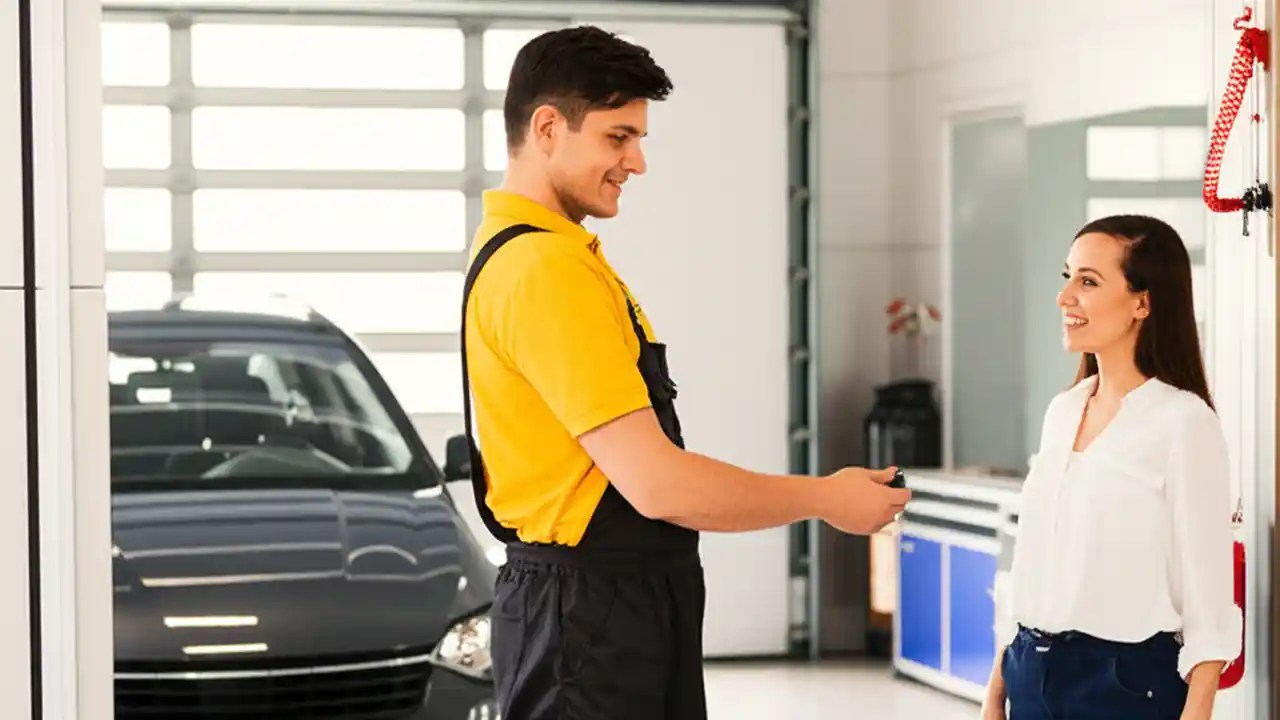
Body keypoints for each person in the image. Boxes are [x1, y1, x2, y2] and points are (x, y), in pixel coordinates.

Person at [460, 25, 910, 720]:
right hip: (588, 623)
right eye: (618, 137)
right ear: (548, 127)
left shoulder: (547, 256)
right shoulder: (543, 271)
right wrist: (825, 498)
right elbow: (658, 484)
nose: (636, 161)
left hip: (593, 611)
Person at [979, 215, 1243, 720]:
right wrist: (997, 690)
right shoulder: (1063, 411)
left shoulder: (1184, 423)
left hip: (1124, 687)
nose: (1065, 297)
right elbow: (1034, 567)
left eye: (1088, 281)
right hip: (1030, 674)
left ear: (1142, 302)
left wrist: (1199, 710)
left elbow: (1209, 603)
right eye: (1068, 277)